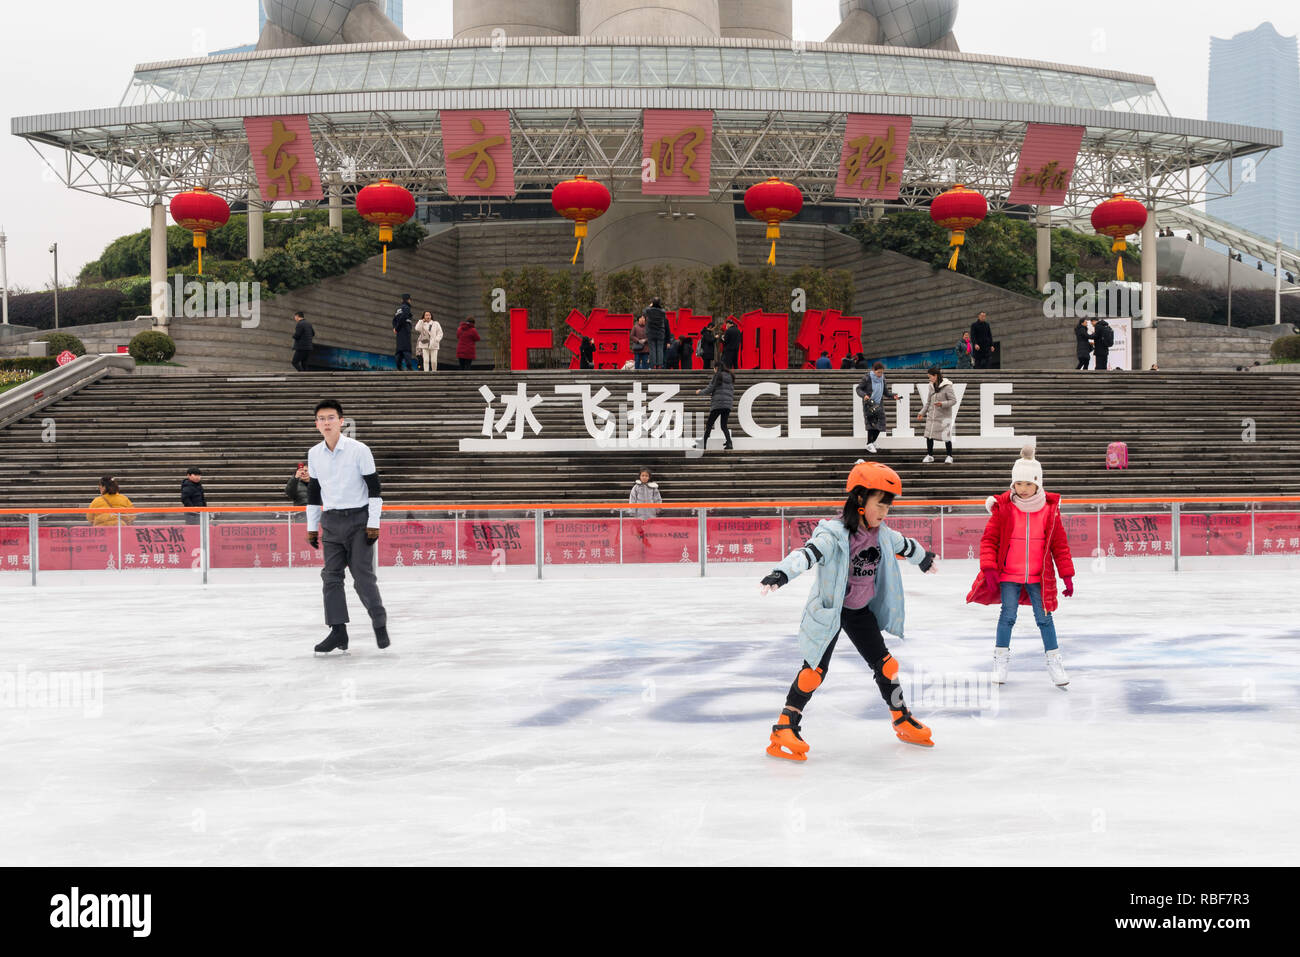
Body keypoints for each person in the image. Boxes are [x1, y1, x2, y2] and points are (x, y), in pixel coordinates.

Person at [759, 461, 939, 760]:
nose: (884, 512)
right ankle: (784, 727)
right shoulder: (835, 534)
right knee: (813, 672)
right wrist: (782, 573)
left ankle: (901, 718)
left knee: (887, 666)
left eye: (888, 507)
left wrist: (922, 558)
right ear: (859, 498)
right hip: (831, 610)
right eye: (880, 505)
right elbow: (808, 553)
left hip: (859, 610)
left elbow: (906, 545)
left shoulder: (882, 534)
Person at [965, 445, 1075, 688]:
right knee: (1008, 616)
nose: (1023, 489)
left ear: (1038, 483)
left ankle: (1054, 661)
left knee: (1045, 618)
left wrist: (1066, 575)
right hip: (1008, 576)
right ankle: (1000, 660)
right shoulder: (1003, 508)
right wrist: (990, 568)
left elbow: (1060, 545)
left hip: (1039, 576)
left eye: (1028, 483)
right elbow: (989, 540)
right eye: (1018, 484)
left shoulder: (1049, 510)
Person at [305, 399, 390, 655]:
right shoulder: (314, 453)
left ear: (341, 421)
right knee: (330, 577)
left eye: (331, 418)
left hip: (359, 520)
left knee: (362, 577)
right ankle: (338, 631)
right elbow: (313, 491)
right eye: (322, 418)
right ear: (316, 424)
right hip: (331, 521)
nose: (326, 422)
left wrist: (373, 523)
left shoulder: (359, 450)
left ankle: (378, 619)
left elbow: (375, 488)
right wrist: (312, 527)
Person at [854, 361, 898, 454]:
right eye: (878, 372)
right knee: (871, 424)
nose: (880, 374)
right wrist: (864, 395)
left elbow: (886, 392)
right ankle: (869, 443)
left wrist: (893, 396)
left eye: (881, 372)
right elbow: (858, 388)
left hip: (879, 404)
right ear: (873, 370)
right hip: (869, 404)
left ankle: (871, 442)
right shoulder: (867, 378)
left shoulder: (882, 379)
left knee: (881, 423)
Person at [917, 365, 956, 463]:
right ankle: (930, 455)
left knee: (946, 436)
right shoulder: (931, 386)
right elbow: (928, 402)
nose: (929, 379)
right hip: (932, 416)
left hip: (944, 416)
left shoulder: (947, 386)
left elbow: (953, 401)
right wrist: (922, 412)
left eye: (930, 377)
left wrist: (942, 404)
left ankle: (949, 456)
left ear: (936, 376)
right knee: (929, 436)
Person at [695, 362, 735, 451]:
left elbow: (710, 388)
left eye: (714, 368)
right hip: (727, 405)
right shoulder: (730, 376)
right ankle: (729, 443)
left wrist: (700, 392)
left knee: (709, 424)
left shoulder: (717, 375)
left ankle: (703, 444)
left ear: (716, 368)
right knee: (724, 425)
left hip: (718, 404)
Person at [644, 298, 668, 369]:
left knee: (652, 349)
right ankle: (660, 364)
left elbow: (644, 311)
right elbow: (663, 314)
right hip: (660, 332)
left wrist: (650, 306)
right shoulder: (662, 312)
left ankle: (653, 364)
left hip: (651, 332)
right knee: (660, 349)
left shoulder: (649, 311)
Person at [393, 294, 415, 371]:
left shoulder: (397, 309)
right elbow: (404, 317)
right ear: (408, 300)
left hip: (399, 332)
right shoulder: (406, 307)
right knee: (406, 349)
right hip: (405, 330)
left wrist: (395, 328)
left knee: (399, 349)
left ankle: (399, 366)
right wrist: (398, 327)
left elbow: (394, 320)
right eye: (410, 300)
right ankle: (409, 366)